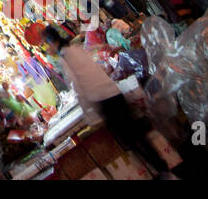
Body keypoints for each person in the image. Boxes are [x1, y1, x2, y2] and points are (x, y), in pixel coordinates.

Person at [40, 27, 170, 175]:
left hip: (104, 102)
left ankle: (159, 170)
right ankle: (162, 166)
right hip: (114, 93)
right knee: (136, 135)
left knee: (129, 141)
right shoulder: (76, 49)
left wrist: (91, 117)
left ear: (51, 42)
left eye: (46, 43)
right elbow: (95, 71)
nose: (47, 48)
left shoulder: (65, 58)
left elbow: (78, 88)